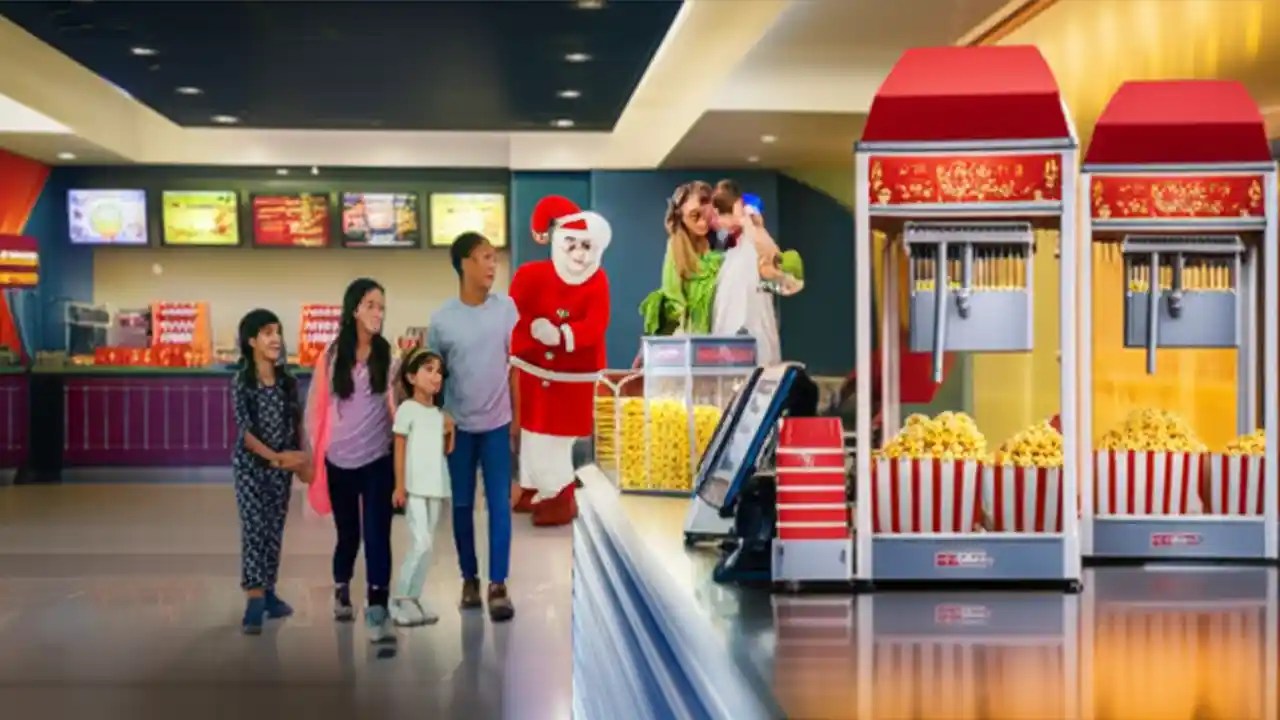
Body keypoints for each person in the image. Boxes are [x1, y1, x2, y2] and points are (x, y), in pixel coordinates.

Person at [428, 232, 518, 623]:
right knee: (461, 506)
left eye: (494, 259)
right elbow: (431, 377)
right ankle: (469, 578)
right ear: (464, 262)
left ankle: (497, 584)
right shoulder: (443, 319)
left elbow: (517, 368)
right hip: (458, 430)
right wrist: (439, 417)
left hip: (498, 427)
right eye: (484, 257)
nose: (492, 265)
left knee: (500, 506)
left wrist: (519, 422)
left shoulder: (507, 310)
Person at [305, 277, 399, 643]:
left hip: (378, 459)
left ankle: (378, 602)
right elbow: (317, 410)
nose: (378, 313)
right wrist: (312, 456)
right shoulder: (331, 357)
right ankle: (342, 585)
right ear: (355, 308)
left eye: (382, 307)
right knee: (349, 535)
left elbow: (398, 402)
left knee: (378, 534)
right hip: (339, 460)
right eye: (372, 305)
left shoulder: (387, 354)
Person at [509, 198, 612, 527]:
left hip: (574, 379)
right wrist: (532, 337)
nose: (580, 255)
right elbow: (515, 316)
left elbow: (596, 324)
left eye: (587, 246)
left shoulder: (597, 282)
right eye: (572, 244)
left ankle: (559, 495)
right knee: (532, 435)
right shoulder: (530, 276)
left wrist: (563, 335)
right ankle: (536, 488)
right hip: (533, 373)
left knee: (557, 439)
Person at [231, 308, 308, 635]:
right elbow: (246, 433)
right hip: (251, 468)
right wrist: (274, 457)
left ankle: (270, 590)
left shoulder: (288, 382)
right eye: (267, 332)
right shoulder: (242, 383)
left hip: (282, 469)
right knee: (255, 527)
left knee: (274, 527)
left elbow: (296, 423)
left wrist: (298, 460)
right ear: (251, 341)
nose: (275, 338)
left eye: (277, 331)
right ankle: (254, 598)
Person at [390, 348, 454, 627]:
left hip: (436, 487)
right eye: (428, 369)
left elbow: (446, 450)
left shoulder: (439, 414)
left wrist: (451, 431)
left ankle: (414, 597)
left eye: (439, 371)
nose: (435, 376)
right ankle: (399, 598)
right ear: (411, 376)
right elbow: (400, 449)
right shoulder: (407, 410)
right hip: (414, 488)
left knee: (429, 548)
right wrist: (399, 486)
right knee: (421, 542)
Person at [709, 179, 784, 366]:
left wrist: (748, 222)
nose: (718, 222)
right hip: (729, 338)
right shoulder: (730, 248)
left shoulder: (753, 237)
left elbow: (776, 260)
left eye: (720, 215)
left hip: (755, 332)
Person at [641, 181, 724, 336]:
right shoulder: (676, 247)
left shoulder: (719, 240)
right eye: (694, 216)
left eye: (706, 215)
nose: (702, 222)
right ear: (680, 215)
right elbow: (674, 297)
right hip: (689, 333)